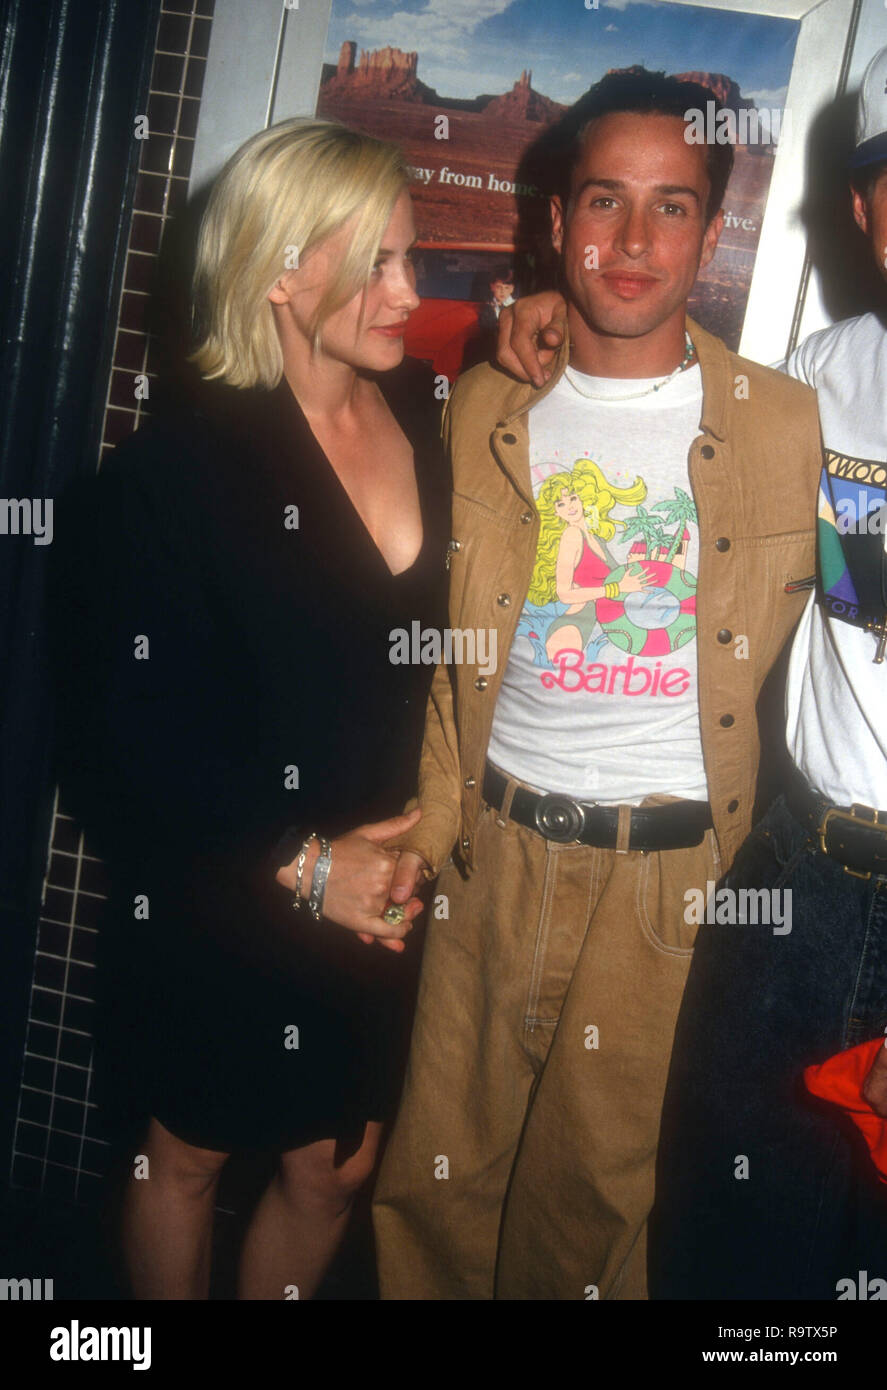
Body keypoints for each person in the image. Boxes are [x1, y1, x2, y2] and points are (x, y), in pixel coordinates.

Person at [371, 69, 822, 1299]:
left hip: (668, 890)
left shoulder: (791, 428)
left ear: (711, 232)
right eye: (602, 204)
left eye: (669, 207)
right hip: (489, 856)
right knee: (431, 1194)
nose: (631, 243)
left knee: (592, 1227)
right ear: (556, 221)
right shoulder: (483, 406)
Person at [49, 118, 449, 1300]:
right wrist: (301, 864)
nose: (409, 292)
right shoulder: (172, 474)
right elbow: (123, 734)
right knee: (187, 1152)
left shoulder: (425, 407)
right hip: (230, 873)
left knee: (336, 1165)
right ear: (280, 271)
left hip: (385, 877)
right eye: (376, 262)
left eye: (413, 258)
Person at [646, 46, 887, 1300]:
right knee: (731, 1237)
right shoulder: (810, 373)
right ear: (859, 206)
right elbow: (654, 432)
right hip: (794, 873)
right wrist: (547, 326)